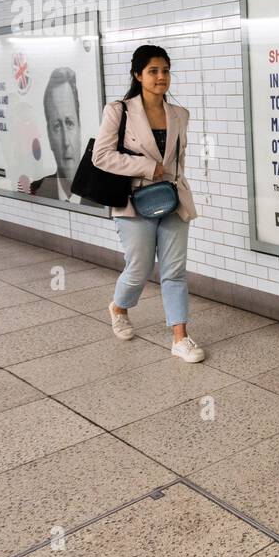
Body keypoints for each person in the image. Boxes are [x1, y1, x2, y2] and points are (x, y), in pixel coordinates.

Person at [92, 44, 205, 362]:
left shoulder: (180, 114)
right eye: (153, 71)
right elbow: (101, 156)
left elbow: (178, 160)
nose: (161, 77)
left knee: (175, 271)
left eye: (166, 70)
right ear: (138, 75)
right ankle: (118, 307)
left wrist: (173, 181)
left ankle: (180, 337)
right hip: (133, 201)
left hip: (171, 198)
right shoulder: (120, 110)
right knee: (139, 268)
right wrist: (145, 167)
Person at [29, 66, 95, 205]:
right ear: (49, 135)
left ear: (80, 127)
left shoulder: (99, 194)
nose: (66, 142)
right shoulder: (39, 189)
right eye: (57, 126)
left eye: (70, 123)